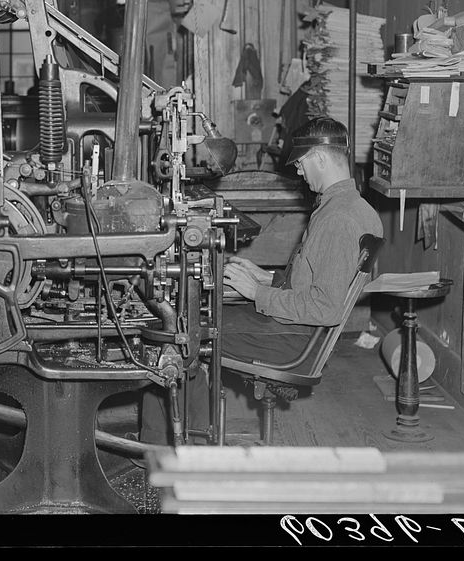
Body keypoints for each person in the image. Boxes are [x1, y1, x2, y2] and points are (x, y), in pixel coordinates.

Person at [140, 116, 384, 443]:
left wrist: (257, 293)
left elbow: (327, 309)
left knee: (180, 334)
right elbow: (316, 277)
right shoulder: (354, 206)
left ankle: (173, 449)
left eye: (301, 163)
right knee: (196, 318)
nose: (298, 170)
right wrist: (266, 277)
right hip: (297, 328)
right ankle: (187, 435)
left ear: (322, 158)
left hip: (294, 340)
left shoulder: (338, 218)